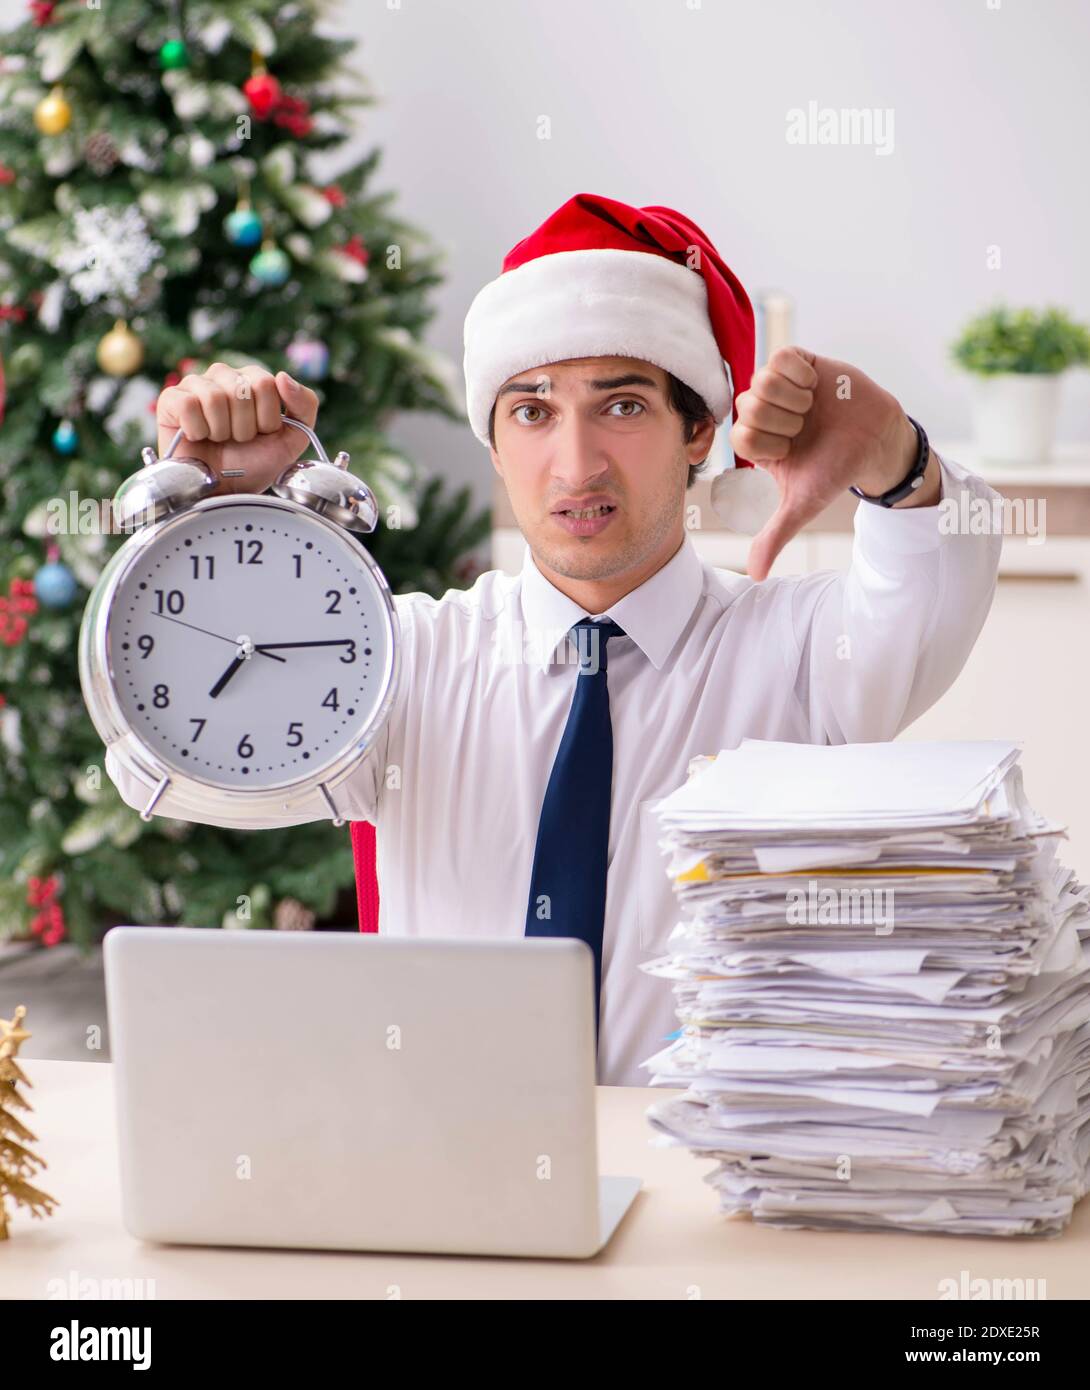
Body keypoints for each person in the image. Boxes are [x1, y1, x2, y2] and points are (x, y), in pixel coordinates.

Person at [105, 192, 1003, 1085]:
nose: (576, 467)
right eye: (532, 411)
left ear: (699, 431)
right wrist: (210, 525)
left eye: (621, 407)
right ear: (492, 442)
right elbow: (178, 761)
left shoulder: (798, 654)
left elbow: (935, 581)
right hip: (453, 1182)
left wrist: (898, 455)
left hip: (711, 1181)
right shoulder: (398, 660)